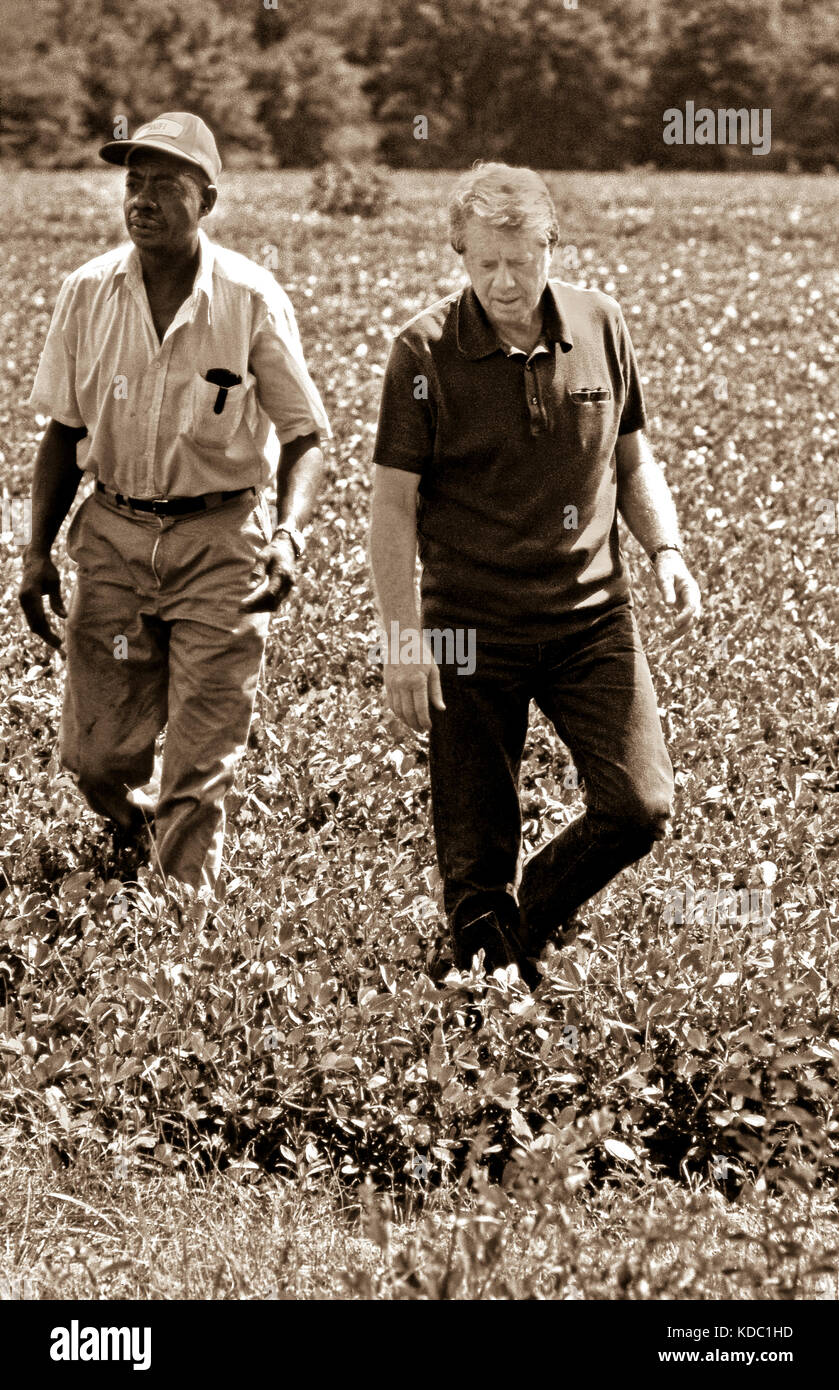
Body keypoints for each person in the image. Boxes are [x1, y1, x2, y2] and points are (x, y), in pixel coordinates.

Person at [369, 162, 701, 982]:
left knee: (639, 806)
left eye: (520, 259)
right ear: (459, 254)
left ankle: (524, 920)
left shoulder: (600, 323)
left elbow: (631, 458)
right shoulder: (422, 349)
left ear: (551, 244)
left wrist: (665, 549)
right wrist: (403, 642)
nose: (504, 281)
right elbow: (391, 508)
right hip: (468, 630)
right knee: (475, 849)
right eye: (484, 263)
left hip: (591, 619)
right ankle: (485, 970)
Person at [19, 112, 330, 890]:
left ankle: (179, 930)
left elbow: (305, 435)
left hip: (222, 545)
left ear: (208, 200)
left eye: (165, 183)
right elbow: (62, 431)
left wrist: (288, 537)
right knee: (94, 760)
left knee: (201, 758)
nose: (143, 199)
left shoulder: (250, 299)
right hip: (115, 538)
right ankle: (137, 827)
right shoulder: (86, 293)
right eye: (133, 182)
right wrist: (35, 553)